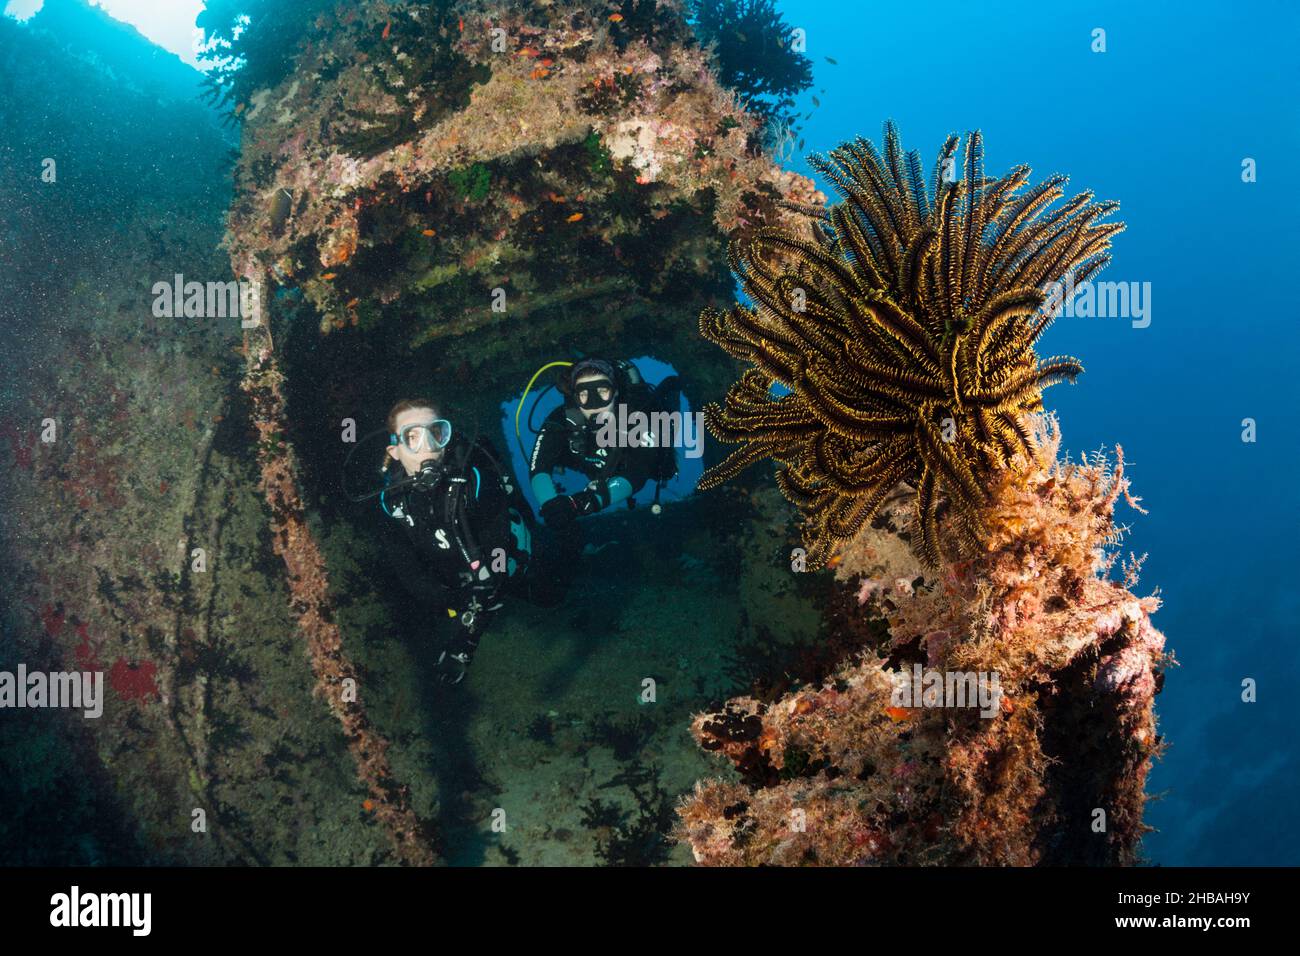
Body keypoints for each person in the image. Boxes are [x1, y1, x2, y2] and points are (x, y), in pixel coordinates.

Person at [377, 398, 535, 685]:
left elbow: (499, 544)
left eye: (435, 433)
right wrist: (453, 601)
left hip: (512, 561)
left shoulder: (474, 480)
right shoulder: (393, 504)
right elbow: (409, 573)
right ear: (395, 451)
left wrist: (470, 630)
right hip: (460, 575)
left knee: (547, 596)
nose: (427, 446)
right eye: (411, 437)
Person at [528, 358, 679, 550]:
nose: (594, 404)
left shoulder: (636, 417)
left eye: (602, 392)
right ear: (574, 397)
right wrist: (552, 507)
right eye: (583, 394)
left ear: (615, 392)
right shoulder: (561, 419)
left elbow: (636, 473)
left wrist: (586, 502)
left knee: (663, 468)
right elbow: (539, 466)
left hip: (640, 459)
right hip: (589, 462)